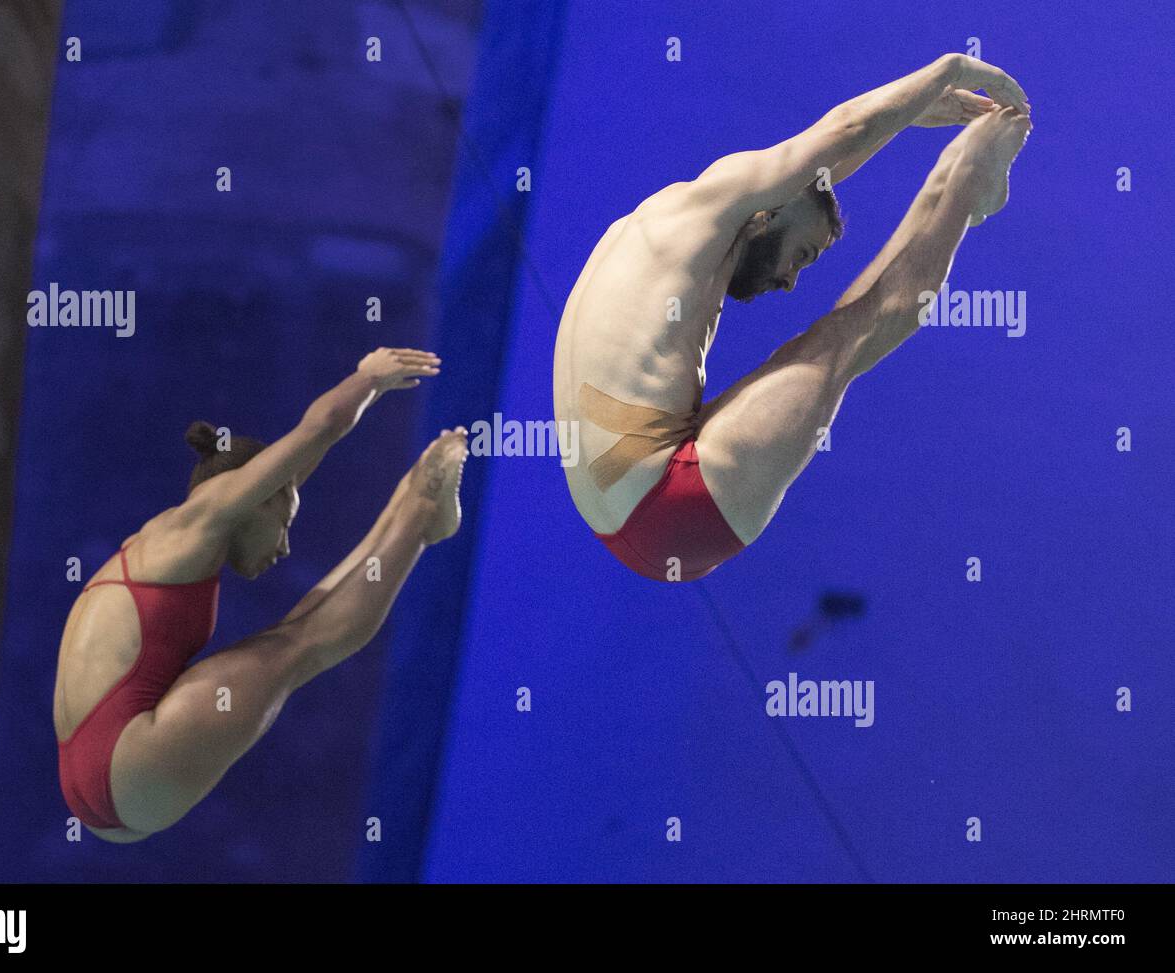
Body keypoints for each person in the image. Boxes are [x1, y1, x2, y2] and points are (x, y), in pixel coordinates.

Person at [553, 54, 1030, 581]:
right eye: (801, 255)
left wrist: (909, 109)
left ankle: (954, 177)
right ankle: (967, 181)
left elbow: (839, 142)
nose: (789, 281)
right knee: (846, 339)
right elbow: (844, 130)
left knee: (829, 338)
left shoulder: (647, 230)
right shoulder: (713, 203)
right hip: (671, 504)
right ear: (773, 210)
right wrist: (949, 70)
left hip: (623, 517)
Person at [53, 347, 469, 842]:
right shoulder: (204, 517)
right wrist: (368, 379)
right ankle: (422, 513)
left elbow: (284, 480)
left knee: (294, 634)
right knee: (298, 646)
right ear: (260, 500)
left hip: (90, 780)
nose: (286, 546)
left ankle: (415, 501)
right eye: (287, 524)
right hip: (130, 765)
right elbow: (321, 427)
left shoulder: (179, 538)